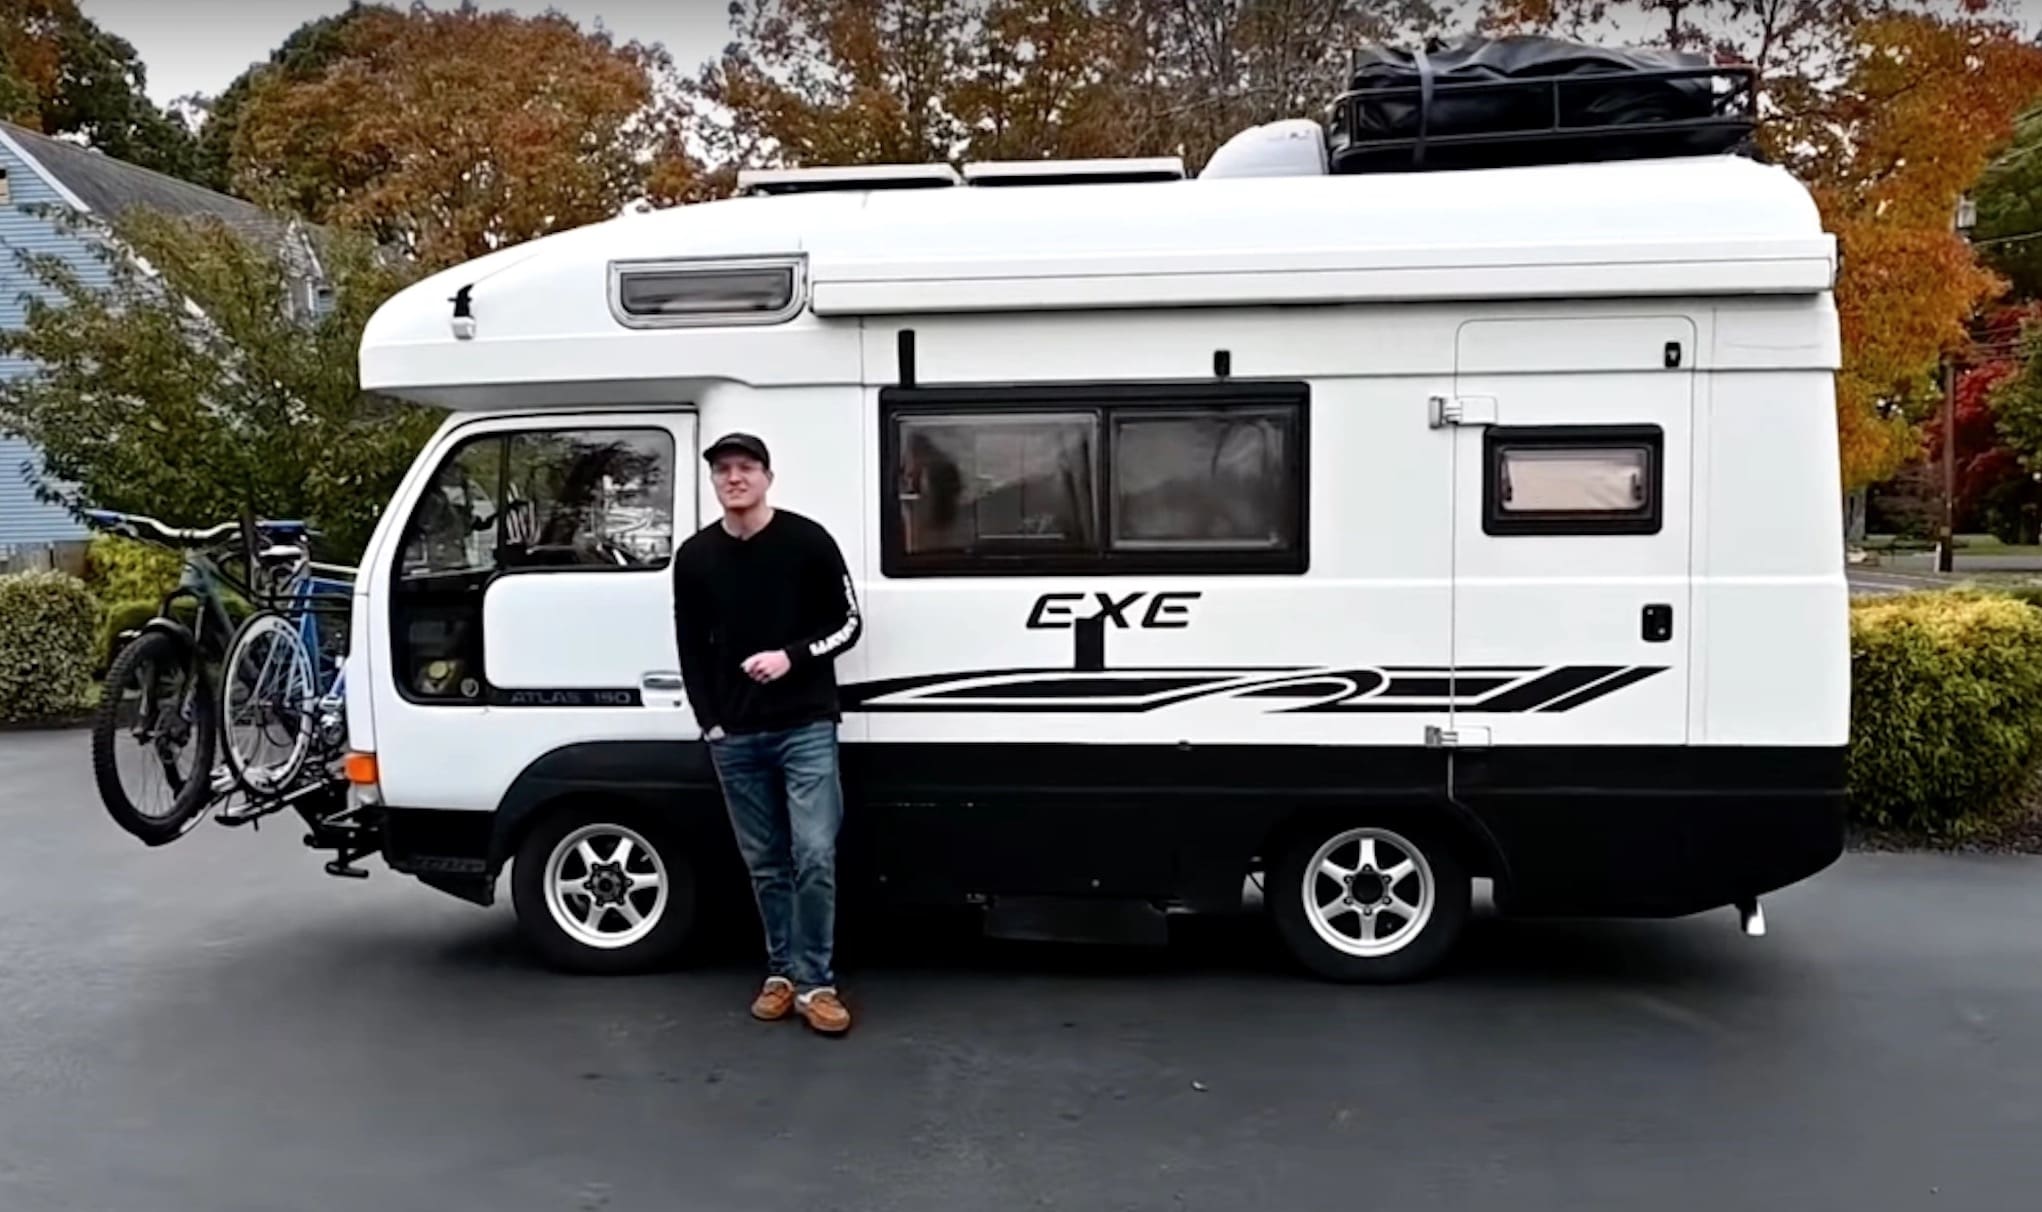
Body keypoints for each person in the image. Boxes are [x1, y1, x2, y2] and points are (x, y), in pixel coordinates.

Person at [670, 432, 863, 1036]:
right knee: (765, 864)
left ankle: (818, 983)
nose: (734, 478)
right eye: (723, 470)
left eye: (745, 468)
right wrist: (713, 723)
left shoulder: (807, 542)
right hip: (736, 735)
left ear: (767, 477)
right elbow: (689, 647)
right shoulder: (696, 557)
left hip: (804, 724)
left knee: (814, 855)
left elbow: (850, 623)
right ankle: (781, 975)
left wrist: (792, 657)